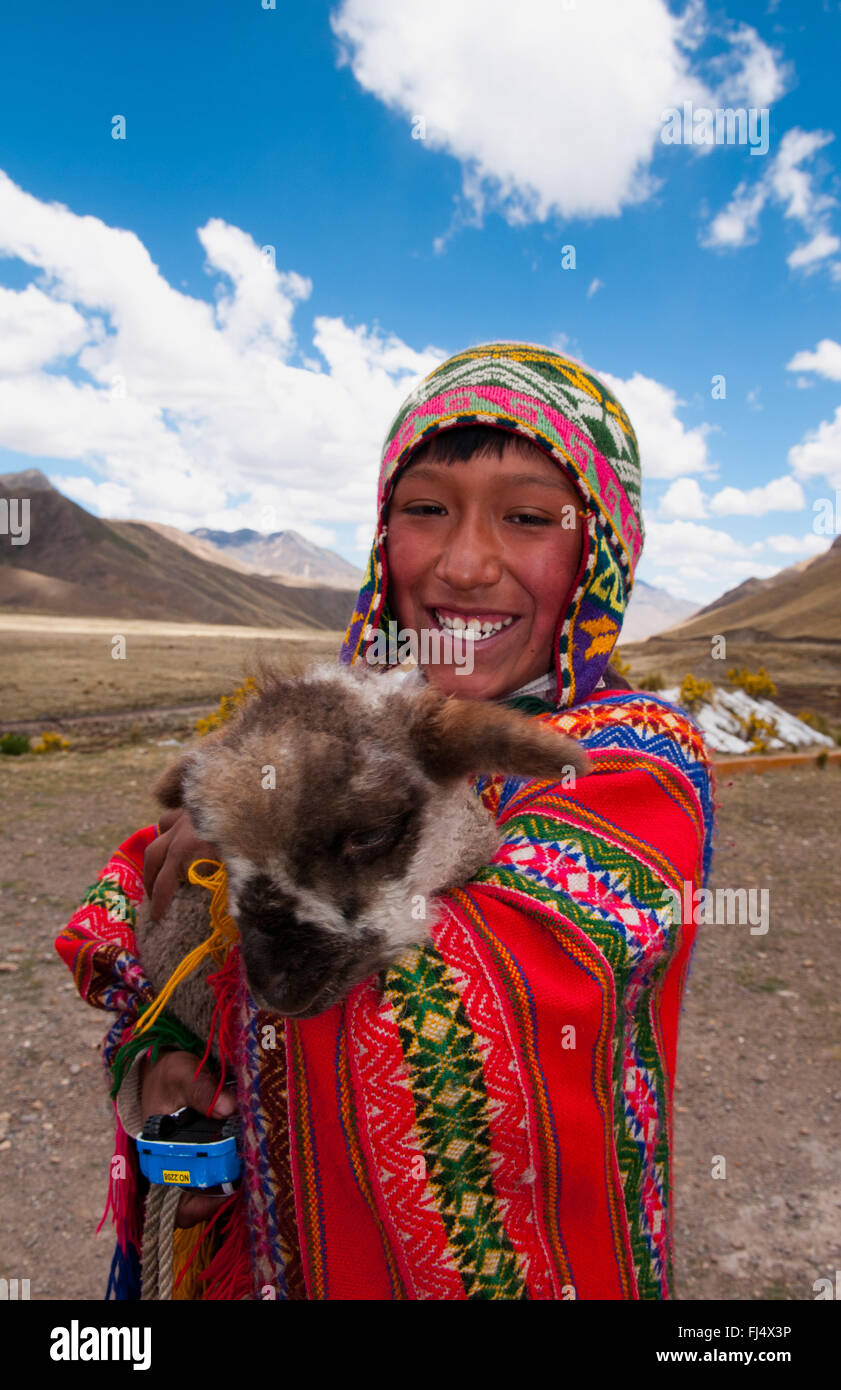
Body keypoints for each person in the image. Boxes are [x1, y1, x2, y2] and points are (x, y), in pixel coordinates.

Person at [56, 341, 714, 1300]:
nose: (463, 561)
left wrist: (234, 880)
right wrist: (157, 1058)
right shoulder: (332, 718)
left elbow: (463, 1008)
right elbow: (124, 903)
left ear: (597, 551)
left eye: (527, 517)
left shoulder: (637, 764)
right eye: (424, 509)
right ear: (382, 536)